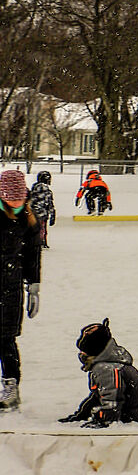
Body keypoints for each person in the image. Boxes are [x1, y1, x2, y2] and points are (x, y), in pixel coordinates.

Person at [61, 320, 138, 425]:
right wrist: (82, 414)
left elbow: (111, 399)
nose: (81, 355)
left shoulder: (105, 368)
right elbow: (98, 395)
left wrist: (104, 421)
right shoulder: (116, 361)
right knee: (137, 384)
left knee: (122, 395)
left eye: (83, 351)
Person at [0, 168, 43, 412]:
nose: (15, 205)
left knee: (6, 339)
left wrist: (34, 286)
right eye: (10, 201)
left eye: (19, 201)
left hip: (10, 290)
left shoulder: (28, 221)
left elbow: (32, 256)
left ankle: (11, 387)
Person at [27, 171, 55, 247]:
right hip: (42, 214)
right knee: (42, 228)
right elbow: (49, 204)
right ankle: (41, 241)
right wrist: (53, 214)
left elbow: (30, 202)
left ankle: (35, 241)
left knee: (35, 228)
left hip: (33, 214)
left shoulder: (34, 190)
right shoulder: (47, 192)